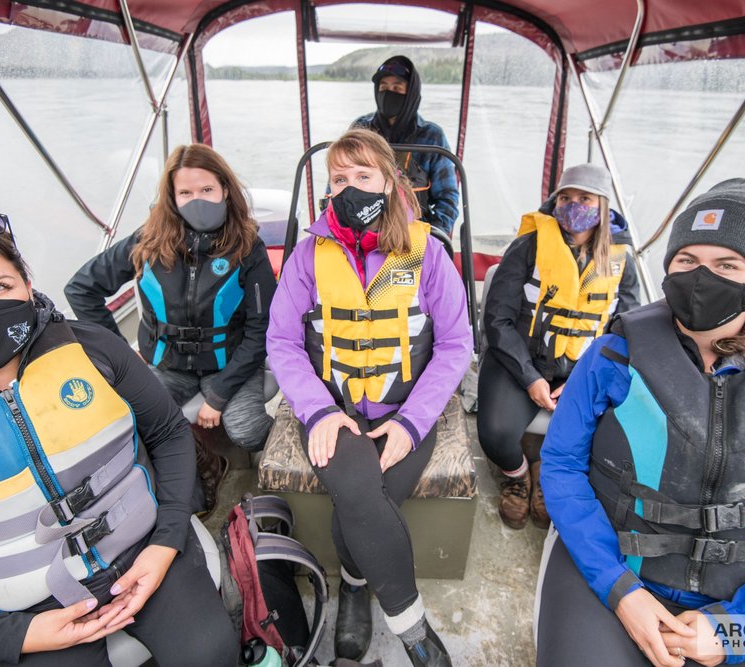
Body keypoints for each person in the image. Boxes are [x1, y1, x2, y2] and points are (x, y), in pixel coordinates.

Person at [0, 210, 238, 665]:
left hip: (146, 552)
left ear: (26, 288)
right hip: (11, 614)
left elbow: (167, 433)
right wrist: (10, 635)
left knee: (210, 655)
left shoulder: (90, 347)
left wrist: (166, 542)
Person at [537, 179, 745, 666]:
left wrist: (736, 631)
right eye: (687, 261)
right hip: (610, 575)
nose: (700, 277)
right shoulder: (612, 356)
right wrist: (620, 589)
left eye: (726, 265)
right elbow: (562, 465)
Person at [267, 128, 472, 666]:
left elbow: (455, 343)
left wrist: (411, 424)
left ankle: (356, 582)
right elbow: (283, 341)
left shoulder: (423, 253)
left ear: (389, 182)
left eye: (364, 176)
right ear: (327, 189)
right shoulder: (309, 256)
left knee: (362, 498)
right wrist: (317, 411)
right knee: (360, 486)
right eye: (339, 178)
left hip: (405, 411)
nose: (351, 186)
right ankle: (413, 632)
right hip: (332, 411)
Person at [65, 144, 277, 511]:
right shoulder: (146, 241)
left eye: (207, 190)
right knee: (123, 424)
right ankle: (207, 468)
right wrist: (119, 355)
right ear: (172, 197)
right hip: (166, 366)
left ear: (225, 190)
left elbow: (262, 328)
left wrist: (219, 396)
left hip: (230, 366)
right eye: (186, 193)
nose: (198, 200)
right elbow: (82, 289)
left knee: (246, 428)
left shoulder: (247, 247)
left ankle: (273, 475)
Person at [477, 163, 640, 530]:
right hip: (520, 361)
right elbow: (498, 319)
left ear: (603, 207)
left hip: (582, 369)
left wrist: (586, 379)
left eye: (584, 198)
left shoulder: (621, 261)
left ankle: (545, 471)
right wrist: (531, 377)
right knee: (496, 434)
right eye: (565, 197)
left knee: (613, 435)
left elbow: (627, 329)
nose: (573, 205)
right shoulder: (527, 247)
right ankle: (518, 476)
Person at [351, 55, 460, 236]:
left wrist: (433, 237)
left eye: (396, 87)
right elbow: (338, 185)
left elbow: (447, 198)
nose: (388, 93)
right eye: (383, 87)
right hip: (365, 231)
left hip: (415, 233)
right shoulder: (361, 128)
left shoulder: (432, 136)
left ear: (411, 93)